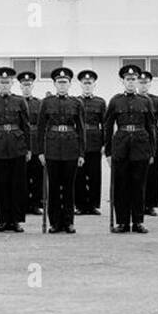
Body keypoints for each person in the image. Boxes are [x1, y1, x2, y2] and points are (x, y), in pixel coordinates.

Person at [103, 64, 154, 233]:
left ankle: (138, 221)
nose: (131, 82)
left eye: (134, 79)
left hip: (140, 147)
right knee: (121, 186)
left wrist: (151, 151)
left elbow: (151, 127)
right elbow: (108, 127)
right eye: (128, 79)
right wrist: (108, 151)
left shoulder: (145, 101)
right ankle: (123, 222)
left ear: (137, 81)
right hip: (121, 147)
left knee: (138, 186)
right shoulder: (115, 101)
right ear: (122, 81)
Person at [37, 66, 85, 234]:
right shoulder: (47, 103)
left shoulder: (76, 103)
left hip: (71, 149)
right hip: (52, 150)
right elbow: (41, 128)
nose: (62, 85)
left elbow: (81, 129)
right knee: (54, 188)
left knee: (69, 188)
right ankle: (55, 222)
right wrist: (40, 152)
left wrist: (81, 153)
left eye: (65, 82)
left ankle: (69, 222)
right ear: (55, 84)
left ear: (70, 84)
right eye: (59, 82)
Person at [0, 66, 31, 232]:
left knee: (17, 185)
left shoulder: (20, 101)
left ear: (12, 83)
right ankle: (3, 220)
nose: (4, 85)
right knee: (1, 185)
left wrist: (28, 149)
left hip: (17, 146)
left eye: (7, 82)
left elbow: (26, 126)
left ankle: (16, 220)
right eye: (1, 82)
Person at [73, 69, 106, 215]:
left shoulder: (100, 102)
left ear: (94, 85)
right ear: (80, 84)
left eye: (90, 83)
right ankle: (80, 205)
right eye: (85, 83)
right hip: (78, 142)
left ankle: (93, 205)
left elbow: (105, 124)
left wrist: (105, 144)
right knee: (79, 175)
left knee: (94, 175)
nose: (87, 86)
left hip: (94, 142)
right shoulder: (75, 101)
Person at [138, 70, 158, 215]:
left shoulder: (157, 100)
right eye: (141, 82)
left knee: (153, 174)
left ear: (150, 84)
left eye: (146, 82)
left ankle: (150, 204)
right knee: (138, 173)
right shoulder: (133, 99)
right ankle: (138, 203)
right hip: (137, 139)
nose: (144, 85)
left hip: (154, 138)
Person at [19, 71, 44, 215]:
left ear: (32, 86)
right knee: (22, 177)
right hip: (21, 144)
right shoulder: (17, 102)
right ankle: (23, 204)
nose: (26, 88)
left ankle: (35, 203)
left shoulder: (39, 103)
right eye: (24, 85)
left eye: (29, 85)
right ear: (20, 86)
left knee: (37, 177)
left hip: (35, 145)